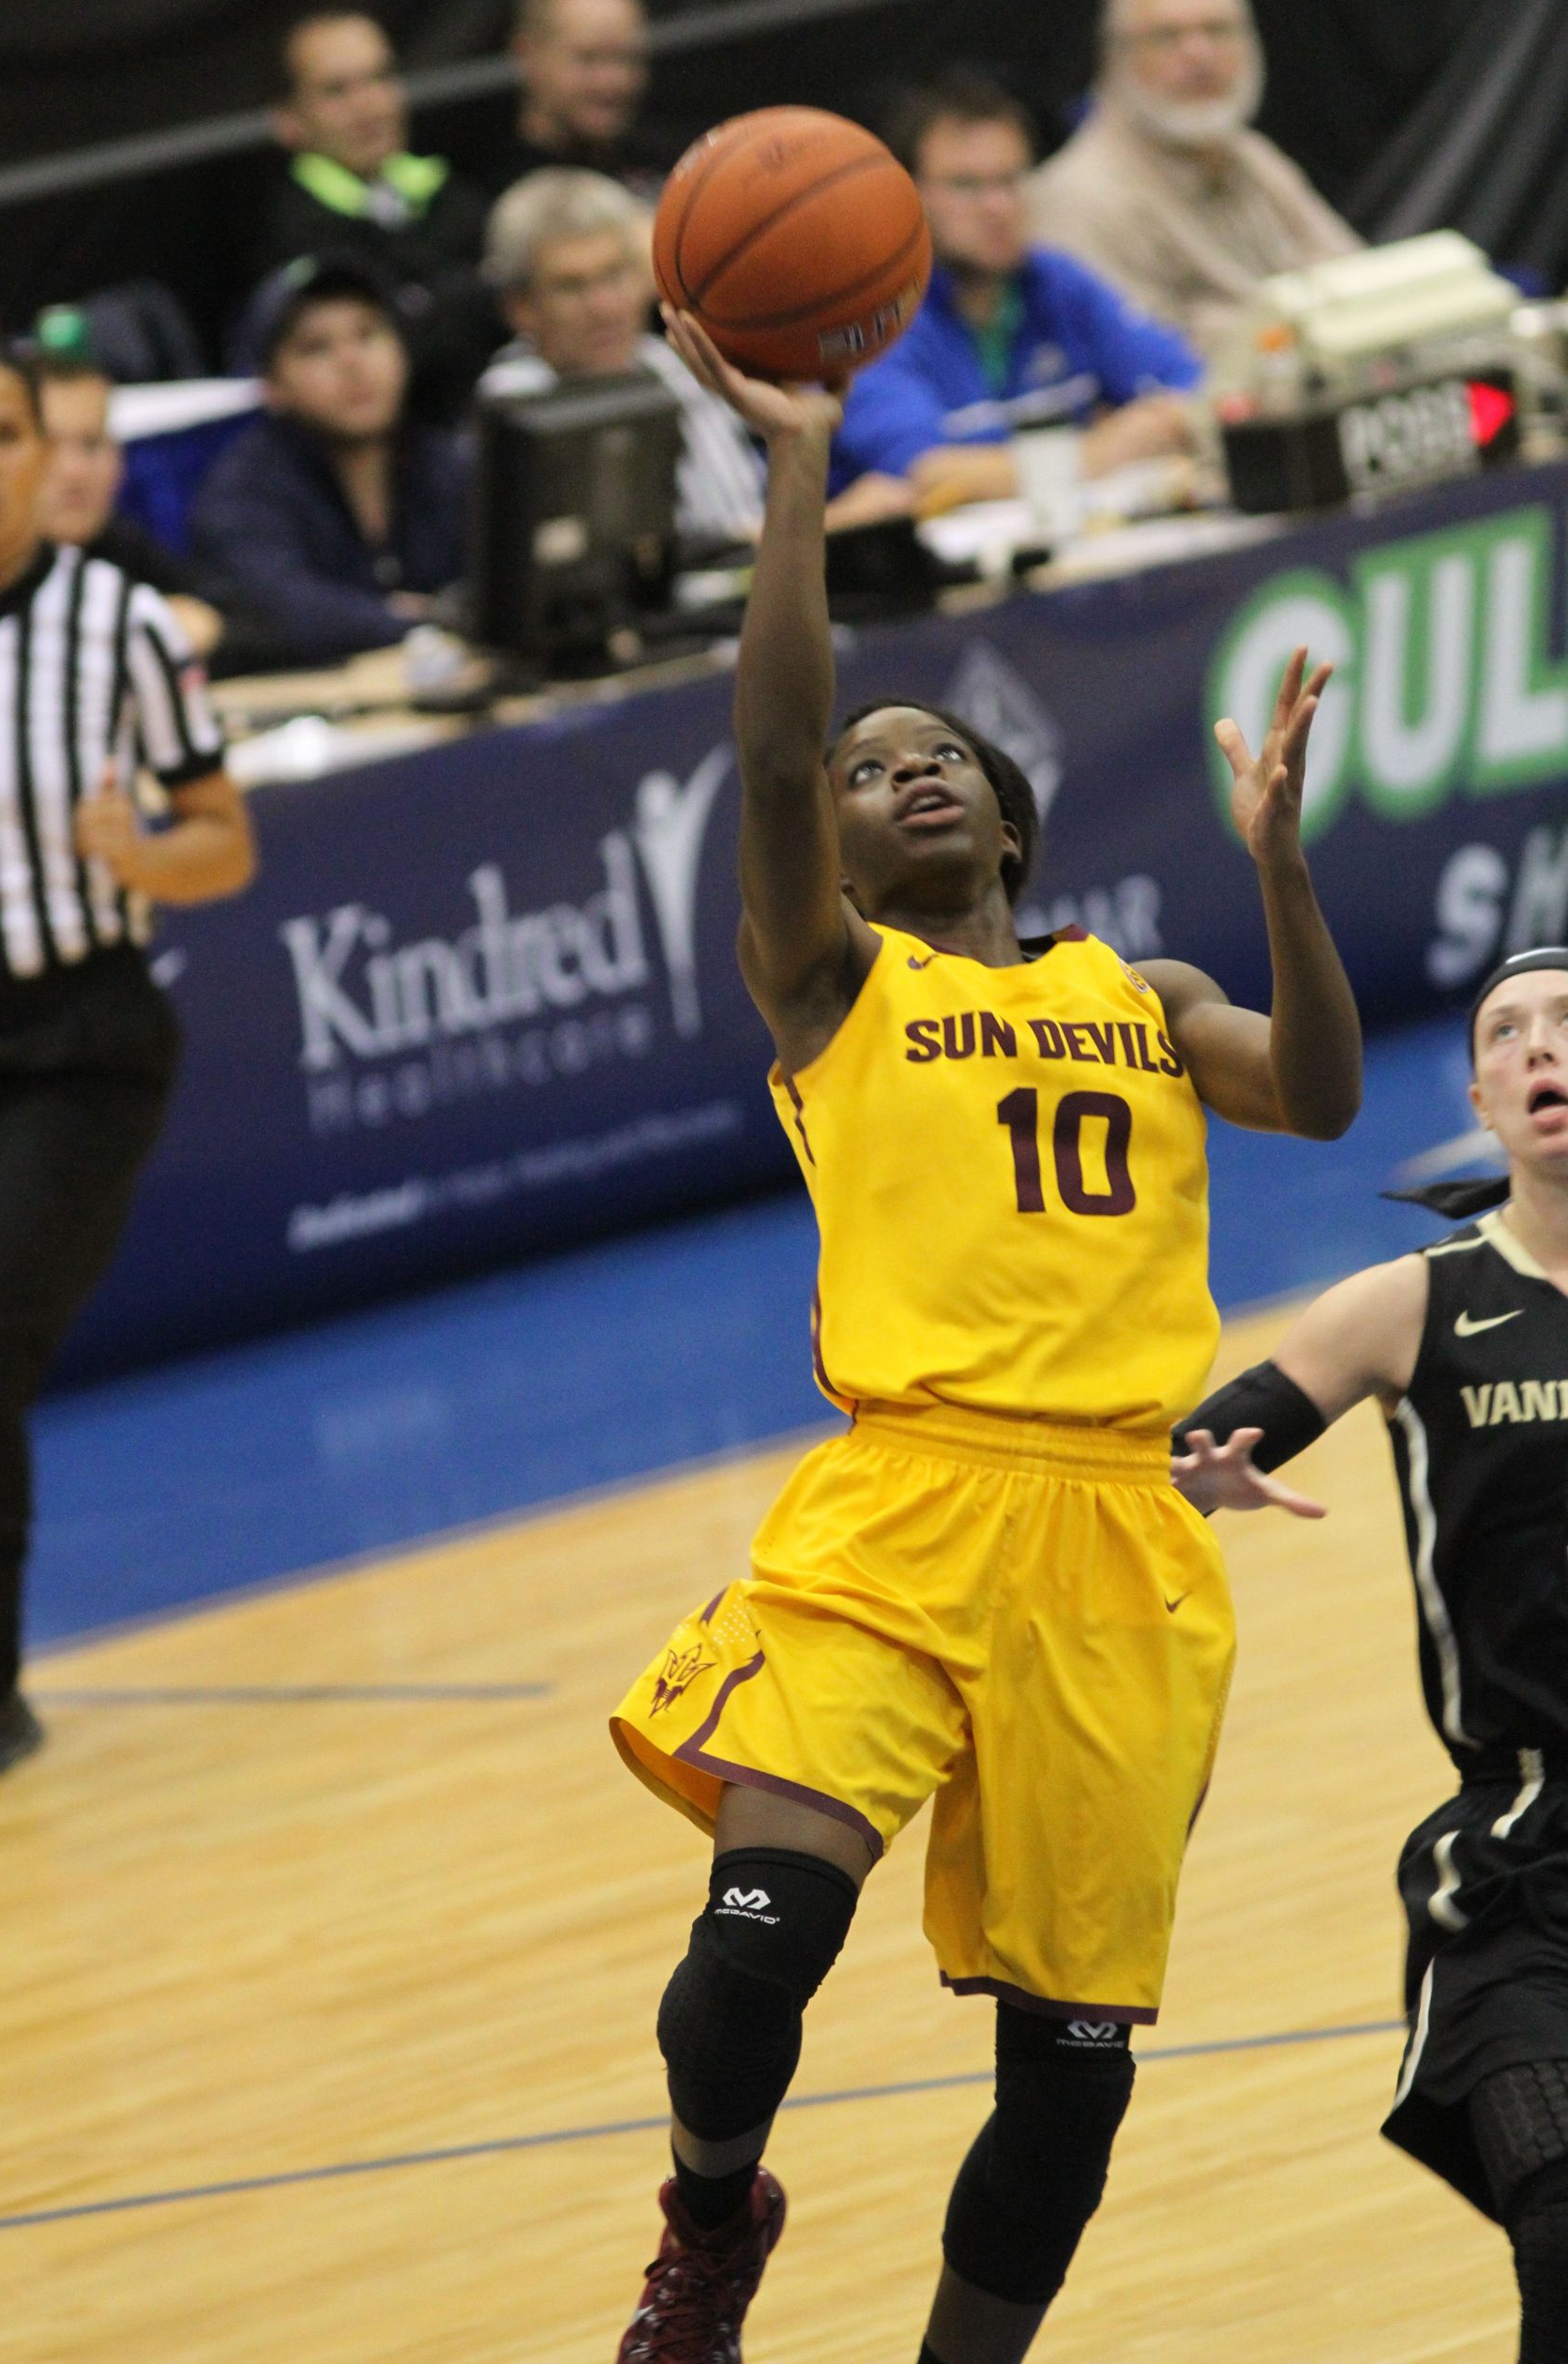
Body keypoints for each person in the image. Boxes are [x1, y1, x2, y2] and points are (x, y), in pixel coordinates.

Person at [606, 303, 1362, 2364]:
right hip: (904, 1499)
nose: (896, 770)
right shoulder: (828, 988)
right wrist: (788, 466)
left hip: (1117, 1538)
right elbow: (765, 744)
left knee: (1070, 2073)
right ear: (827, 851)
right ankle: (706, 2214)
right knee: (752, 1945)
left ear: (1008, 826)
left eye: (938, 756)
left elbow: (1314, 1094)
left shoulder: (1145, 990)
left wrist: (1282, 870)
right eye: (866, 770)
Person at [1171, 947, 1568, 2364]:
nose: (1539, 1050)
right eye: (1506, 1033)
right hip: (1524, 1855)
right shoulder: (1408, 1304)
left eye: (1564, 1026)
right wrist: (1200, 1472)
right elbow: (1185, 1454)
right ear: (1476, 1094)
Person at [0, 343, 255, 1782]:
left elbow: (228, 837)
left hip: (76, 1039)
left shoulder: (119, 625)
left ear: (42, 451)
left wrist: (141, 854)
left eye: (3, 435)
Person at [829, 69, 1204, 510]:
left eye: (1010, 180)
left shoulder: (1059, 283)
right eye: (966, 186)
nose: (998, 206)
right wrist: (1102, 452)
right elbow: (924, 474)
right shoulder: (872, 319)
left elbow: (1196, 390)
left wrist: (1161, 421)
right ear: (905, 195)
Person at [1033, 0, 1359, 361]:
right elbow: (1146, 366)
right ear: (1115, 55)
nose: (1199, 54)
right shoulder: (1080, 198)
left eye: (1218, 30)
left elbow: (1359, 280)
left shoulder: (1252, 157)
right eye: (1167, 36)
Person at [194, 255, 470, 669]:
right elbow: (288, 612)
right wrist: (419, 624)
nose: (351, 363)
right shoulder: (239, 494)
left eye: (368, 334)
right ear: (273, 386)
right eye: (316, 348)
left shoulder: (443, 463)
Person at [479, 168, 763, 545]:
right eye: (571, 286)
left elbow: (741, 516)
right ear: (520, 307)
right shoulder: (513, 402)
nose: (605, 308)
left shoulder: (669, 360)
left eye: (615, 275)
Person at [258, 11, 492, 420]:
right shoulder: (285, 236)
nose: (367, 105)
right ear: (287, 120)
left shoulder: (456, 193)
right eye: (336, 90)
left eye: (380, 78)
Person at [36, 356, 225, 659]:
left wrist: (204, 628)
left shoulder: (119, 545)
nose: (75, 472)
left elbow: (262, 625)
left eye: (92, 444)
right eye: (48, 446)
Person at [488, 0, 674, 203]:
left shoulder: (665, 171)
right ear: (528, 54)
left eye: (628, 58)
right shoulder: (484, 200)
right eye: (589, 58)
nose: (613, 81)